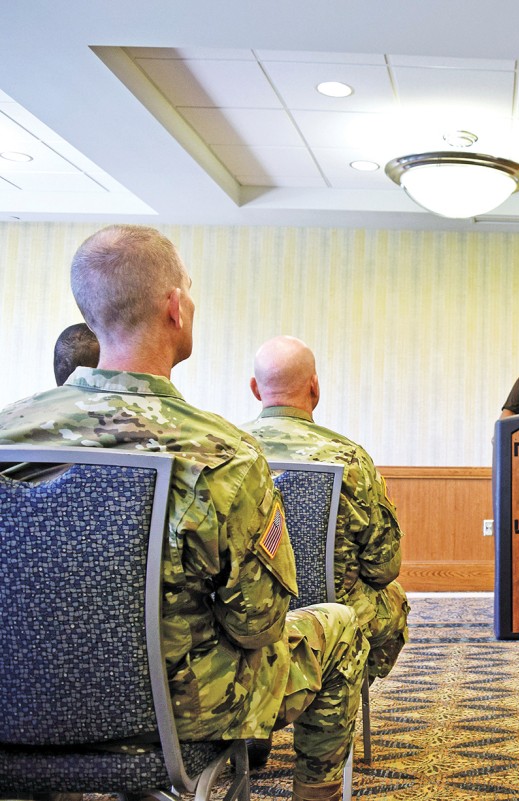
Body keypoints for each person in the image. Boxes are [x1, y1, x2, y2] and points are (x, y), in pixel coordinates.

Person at [0, 225, 367, 801]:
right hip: (178, 719)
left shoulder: (8, 433)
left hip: (13, 705)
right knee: (339, 626)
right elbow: (260, 623)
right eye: (189, 291)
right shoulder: (222, 454)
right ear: (175, 306)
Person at [243, 335, 410, 684]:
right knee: (391, 599)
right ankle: (339, 686)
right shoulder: (348, 457)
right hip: (333, 616)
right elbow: (383, 566)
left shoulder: (228, 451)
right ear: (314, 388)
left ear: (256, 389)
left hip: (241, 617)